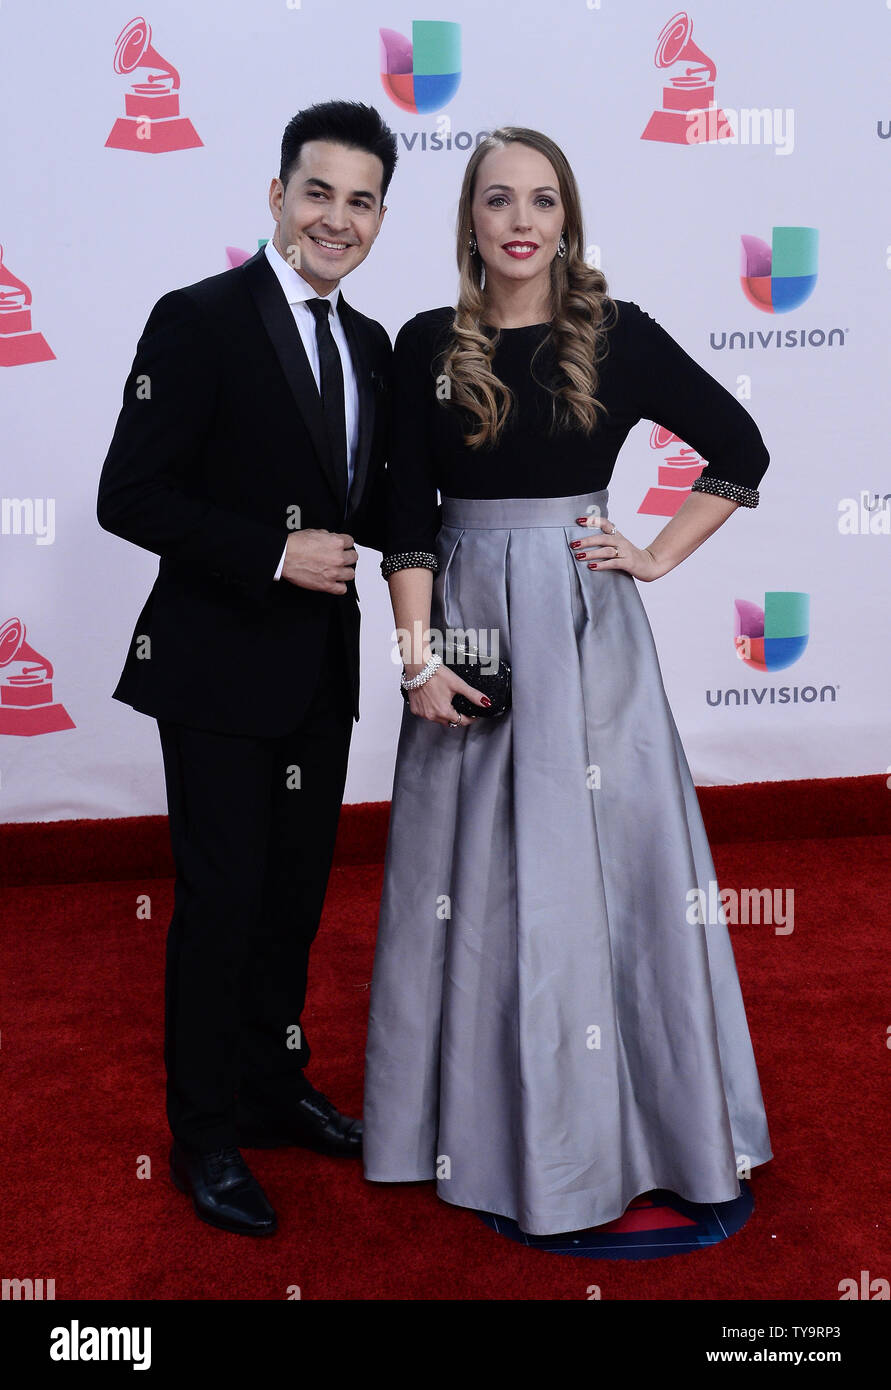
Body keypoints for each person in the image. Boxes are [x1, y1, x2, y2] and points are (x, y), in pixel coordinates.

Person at [363, 126, 773, 1236]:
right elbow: (403, 526)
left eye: (543, 201)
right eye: (499, 201)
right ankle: (475, 1125)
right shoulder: (420, 345)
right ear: (470, 221)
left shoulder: (617, 334)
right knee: (480, 879)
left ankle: (643, 1121)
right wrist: (418, 659)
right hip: (471, 621)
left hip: (589, 626)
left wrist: (654, 551)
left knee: (609, 866)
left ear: (567, 218)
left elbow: (739, 444)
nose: (522, 222)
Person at [97, 101, 397, 1237]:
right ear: (276, 198)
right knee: (221, 906)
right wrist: (272, 554)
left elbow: (374, 504)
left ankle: (275, 1089)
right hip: (216, 671)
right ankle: (206, 1136)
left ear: (378, 219)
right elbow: (127, 495)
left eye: (360, 200)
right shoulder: (199, 318)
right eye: (316, 192)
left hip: (321, 674)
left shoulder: (368, 345)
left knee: (294, 901)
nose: (336, 216)